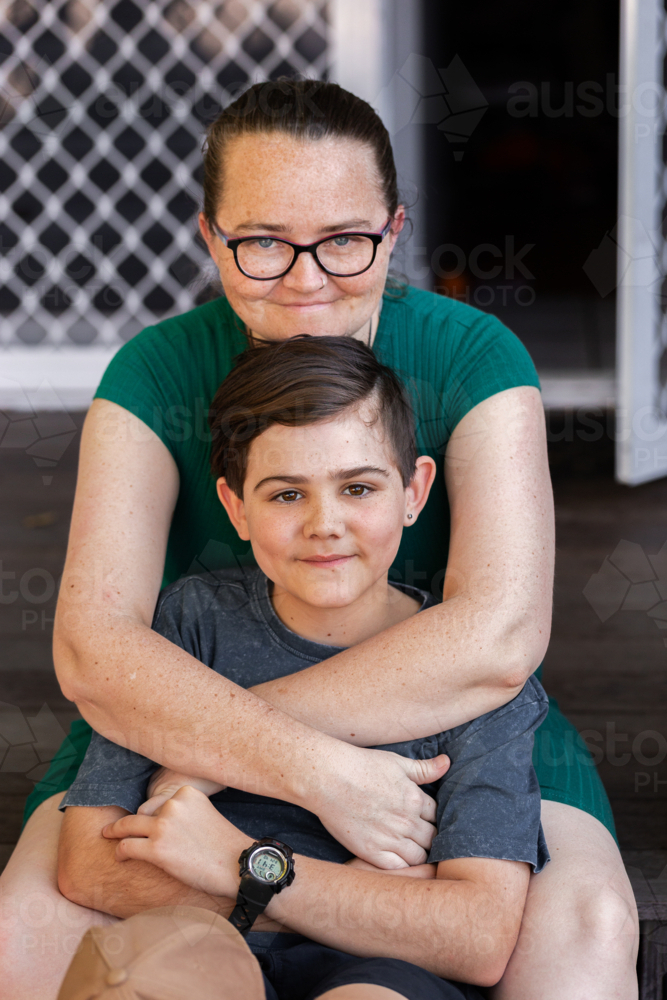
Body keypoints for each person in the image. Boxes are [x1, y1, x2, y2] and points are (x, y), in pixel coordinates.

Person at [0, 79, 637, 1000]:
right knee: (22, 940)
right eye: (263, 242)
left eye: (343, 240)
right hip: (168, 705)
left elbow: (497, 637)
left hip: (444, 717)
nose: (305, 280)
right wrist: (316, 772)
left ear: (393, 228)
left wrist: (216, 751)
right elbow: (94, 650)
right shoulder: (153, 369)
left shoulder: (473, 354)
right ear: (210, 235)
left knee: (584, 938)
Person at [57, 336, 549, 1000]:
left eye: (358, 487)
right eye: (287, 495)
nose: (325, 524)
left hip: (382, 975)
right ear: (236, 507)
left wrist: (234, 862)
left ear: (414, 491)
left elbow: (475, 937)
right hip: (204, 945)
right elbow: (90, 863)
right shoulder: (192, 625)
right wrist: (362, 905)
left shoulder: (471, 669)